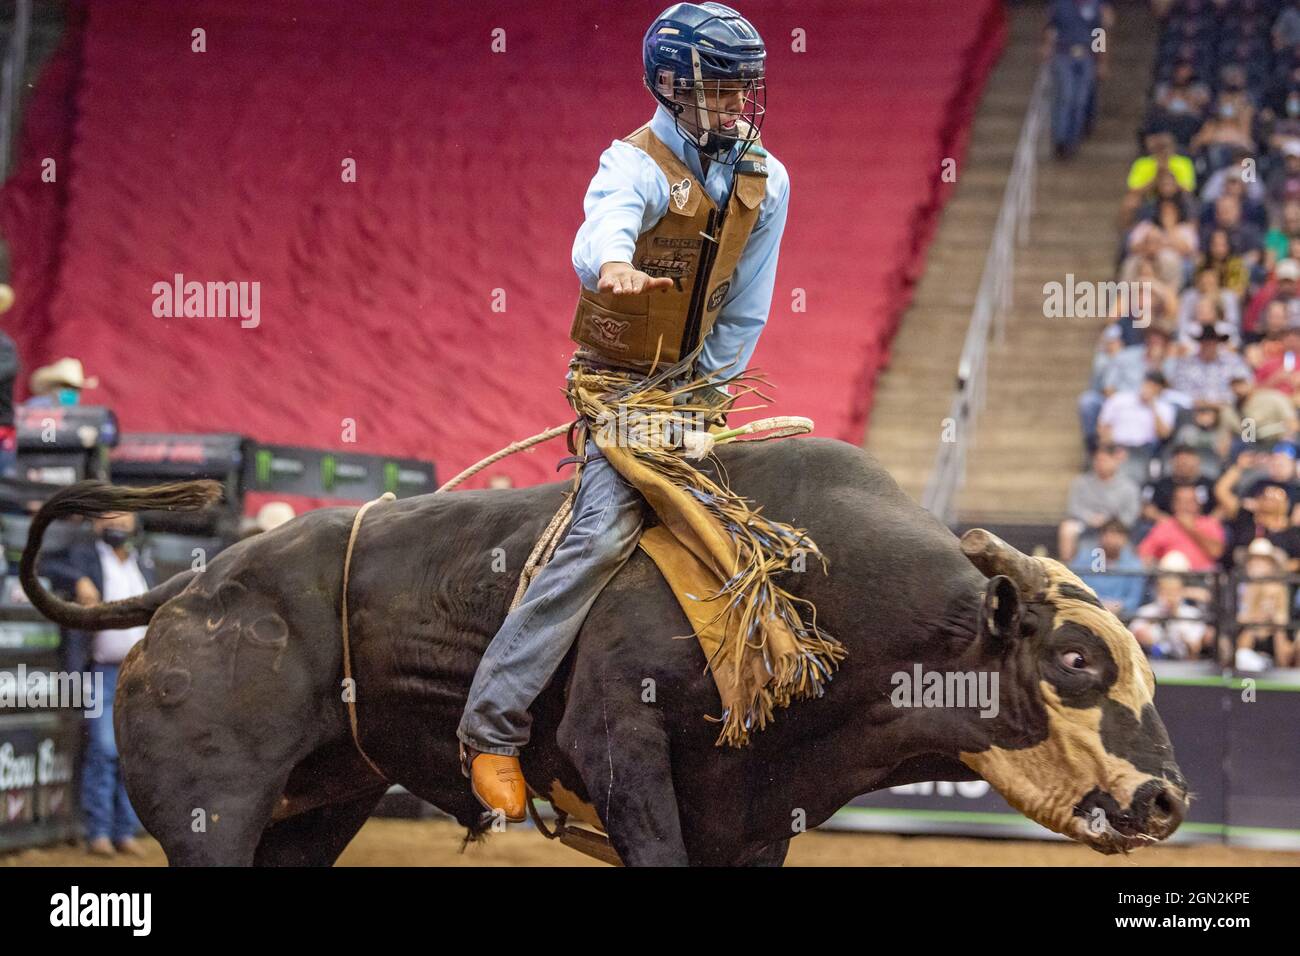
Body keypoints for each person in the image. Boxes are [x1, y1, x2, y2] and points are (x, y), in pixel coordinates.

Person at [456, 3, 800, 821]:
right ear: (671, 88)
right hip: (620, 386)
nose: (734, 108)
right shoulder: (633, 164)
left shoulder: (769, 179)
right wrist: (612, 265)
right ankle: (492, 725)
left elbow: (746, 307)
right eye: (718, 91)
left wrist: (705, 400)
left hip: (697, 395)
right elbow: (602, 226)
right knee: (603, 532)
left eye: (743, 90)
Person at [39, 512, 155, 856]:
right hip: (100, 670)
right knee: (104, 748)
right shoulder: (84, 557)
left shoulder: (142, 564)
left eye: (121, 516)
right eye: (106, 516)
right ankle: (99, 831)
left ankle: (124, 829)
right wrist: (78, 580)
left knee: (131, 752)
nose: (114, 523)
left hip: (139, 673)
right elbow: (43, 564)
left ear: (134, 523)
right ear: (95, 524)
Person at [1043, 0, 1113, 159]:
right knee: (1066, 96)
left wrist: (1102, 61)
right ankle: (1060, 139)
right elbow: (1051, 27)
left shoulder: (1096, 6)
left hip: (1087, 56)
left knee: (1080, 100)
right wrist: (1047, 47)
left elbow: (1100, 34)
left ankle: (1072, 141)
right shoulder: (1060, 4)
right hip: (1064, 53)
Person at [1059, 443, 1141, 563]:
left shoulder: (1129, 486)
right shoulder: (1081, 482)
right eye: (1097, 460)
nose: (1100, 464)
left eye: (1105, 460)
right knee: (1067, 528)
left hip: (1115, 527)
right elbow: (1074, 507)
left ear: (1115, 461)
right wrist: (1090, 518)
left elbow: (1131, 515)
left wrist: (1108, 522)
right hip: (1086, 523)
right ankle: (1066, 567)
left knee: (1115, 535)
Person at [1130, 553, 1210, 660]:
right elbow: (1135, 639)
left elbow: (1194, 648)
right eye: (1165, 591)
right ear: (1158, 591)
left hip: (1184, 667)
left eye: (1174, 591)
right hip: (1153, 665)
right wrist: (1158, 619)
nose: (1170, 596)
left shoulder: (1192, 614)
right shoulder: (1146, 612)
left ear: (1182, 591)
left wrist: (1175, 615)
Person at [1137, 483, 1225, 572]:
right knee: (1174, 561)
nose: (1185, 506)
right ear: (1173, 505)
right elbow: (1143, 553)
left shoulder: (1209, 523)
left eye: (1189, 502)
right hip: (1170, 577)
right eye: (1180, 502)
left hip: (1203, 576)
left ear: (1198, 504)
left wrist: (1190, 529)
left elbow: (1216, 552)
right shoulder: (1165, 526)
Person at [1071, 519, 1146, 620]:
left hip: (1121, 618)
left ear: (1125, 538)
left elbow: (1134, 600)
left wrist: (1118, 607)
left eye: (1117, 535)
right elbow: (1075, 588)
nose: (1112, 539)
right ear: (1100, 537)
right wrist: (1097, 605)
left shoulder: (1135, 565)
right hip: (1088, 614)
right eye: (1108, 534)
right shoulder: (1083, 559)